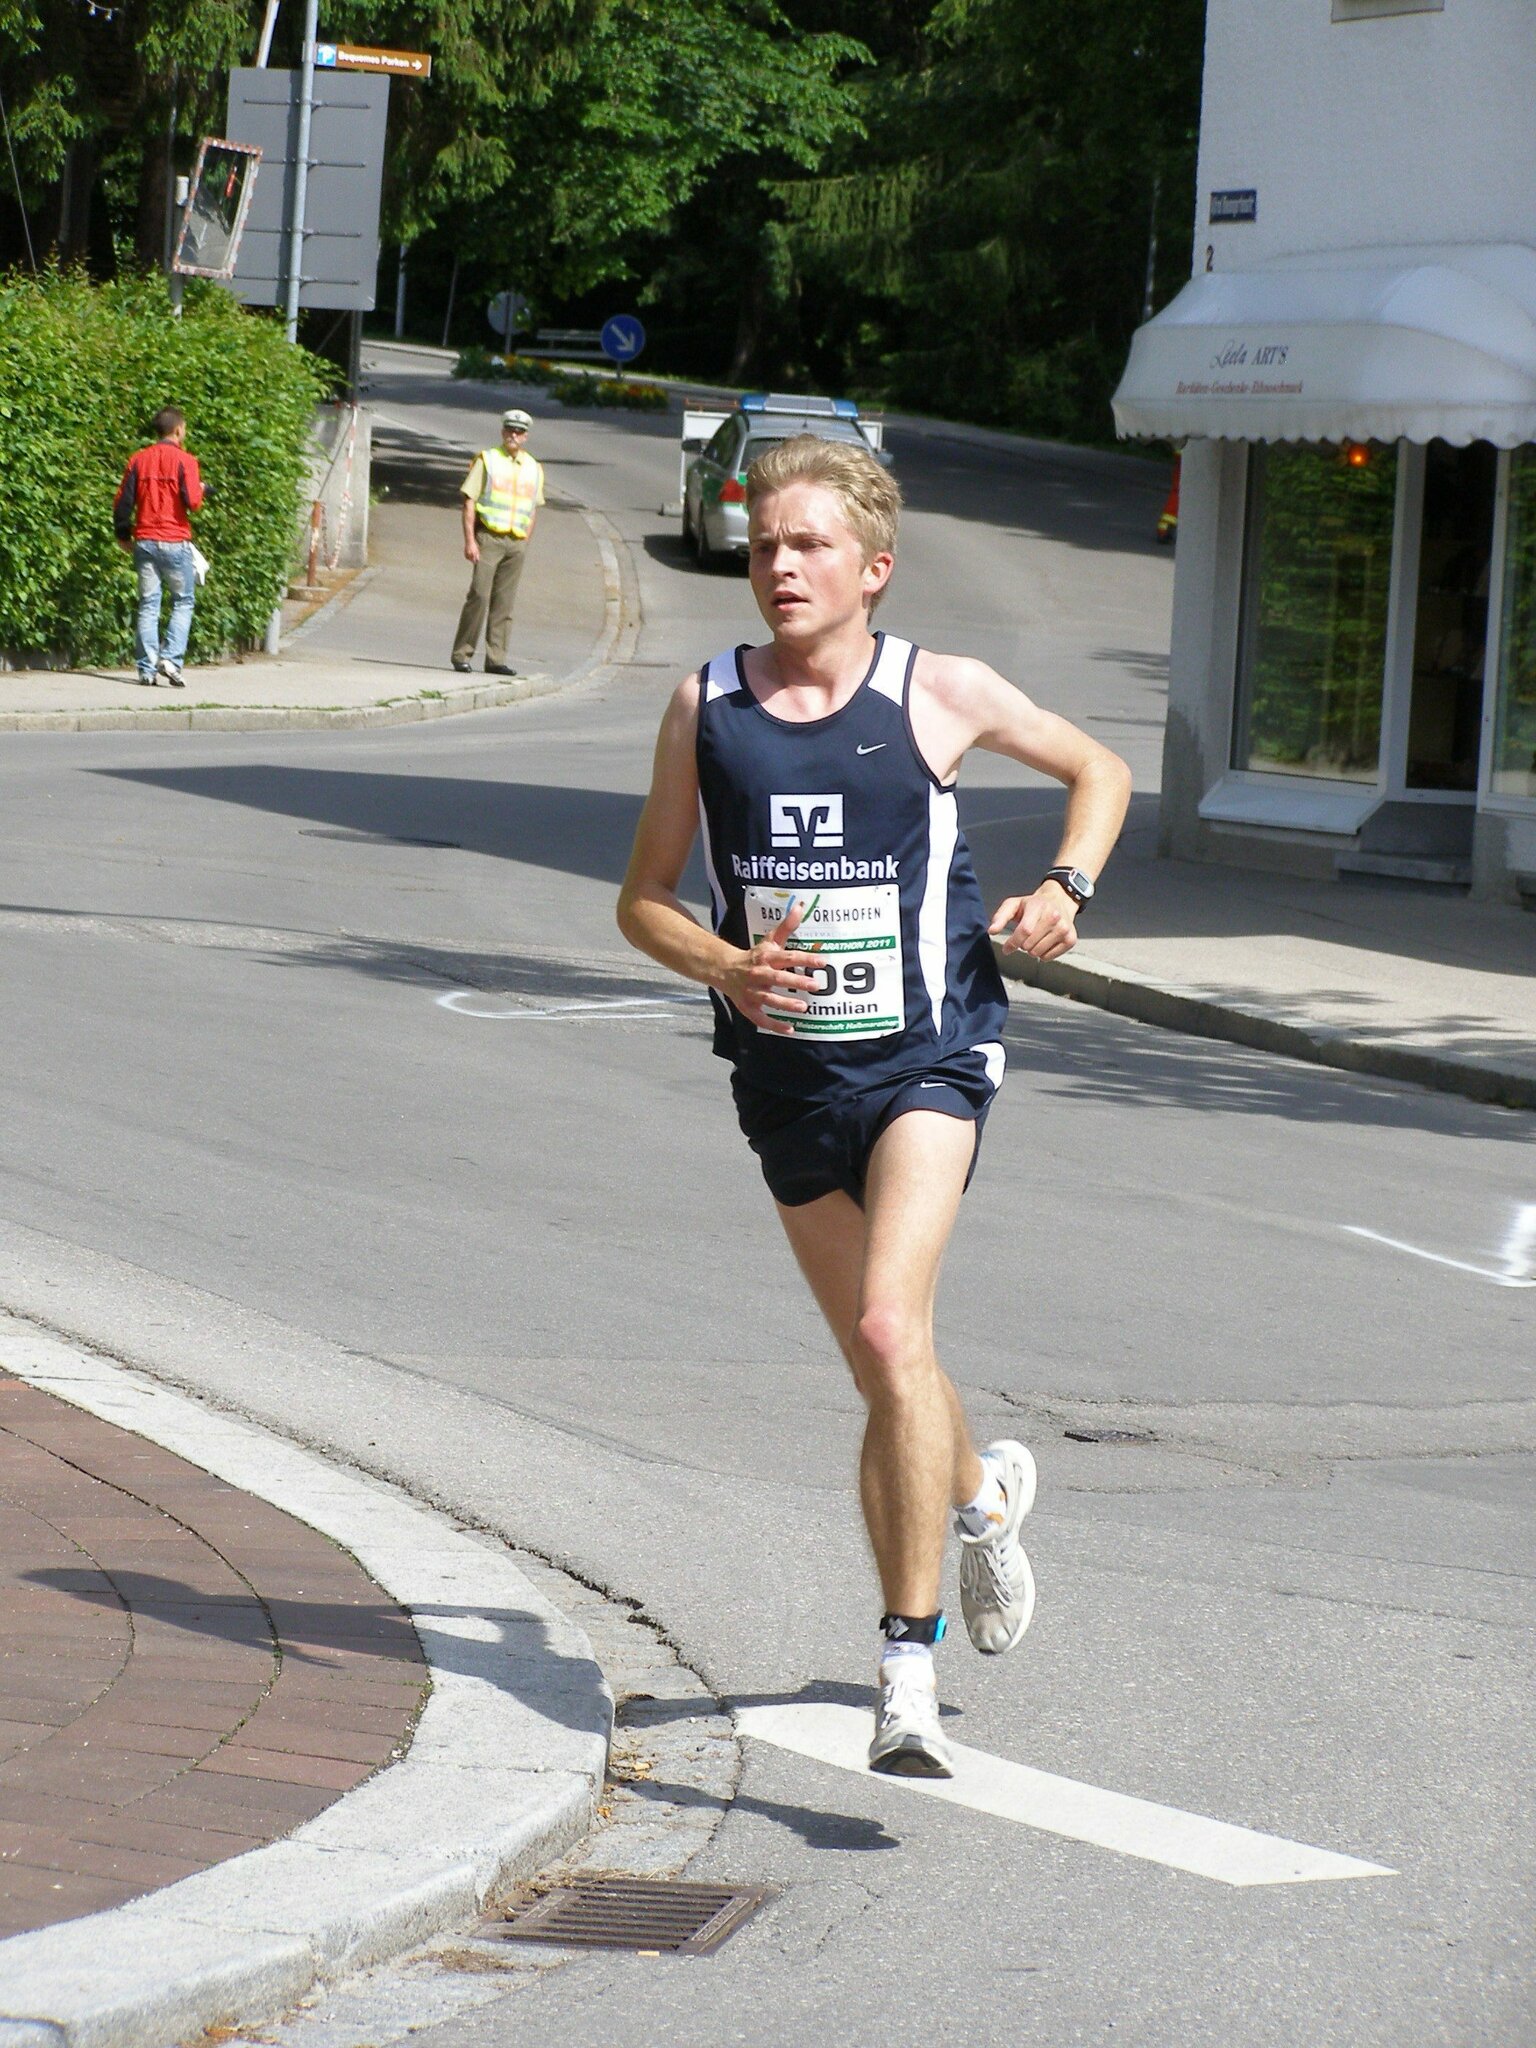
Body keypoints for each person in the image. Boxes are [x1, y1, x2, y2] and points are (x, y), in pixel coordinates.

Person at [617, 435, 1131, 1778]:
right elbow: (641, 900)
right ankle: (980, 1497)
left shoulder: (939, 692)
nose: (779, 564)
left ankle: (906, 1672)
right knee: (883, 1365)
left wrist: (1067, 887)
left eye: (808, 545)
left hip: (930, 1057)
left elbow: (1101, 771)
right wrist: (726, 961)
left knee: (892, 1323)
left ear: (873, 569)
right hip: (786, 1078)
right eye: (765, 543)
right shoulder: (704, 707)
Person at [113, 406, 205, 687]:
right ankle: (171, 659)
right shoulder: (186, 461)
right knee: (183, 601)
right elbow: (193, 501)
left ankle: (146, 669)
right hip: (174, 541)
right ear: (178, 430)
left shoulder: (138, 460)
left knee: (149, 604)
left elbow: (123, 502)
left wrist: (123, 535)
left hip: (145, 542)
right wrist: (202, 489)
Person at [451, 407, 545, 675]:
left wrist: (526, 539)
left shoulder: (534, 468)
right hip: (489, 537)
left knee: (505, 604)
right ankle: (462, 653)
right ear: (503, 431)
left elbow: (533, 507)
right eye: (510, 429)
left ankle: (496, 658)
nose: (513, 435)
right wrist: (470, 540)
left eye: (519, 431)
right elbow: (469, 501)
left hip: (515, 542)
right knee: (479, 596)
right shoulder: (488, 459)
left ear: (525, 436)